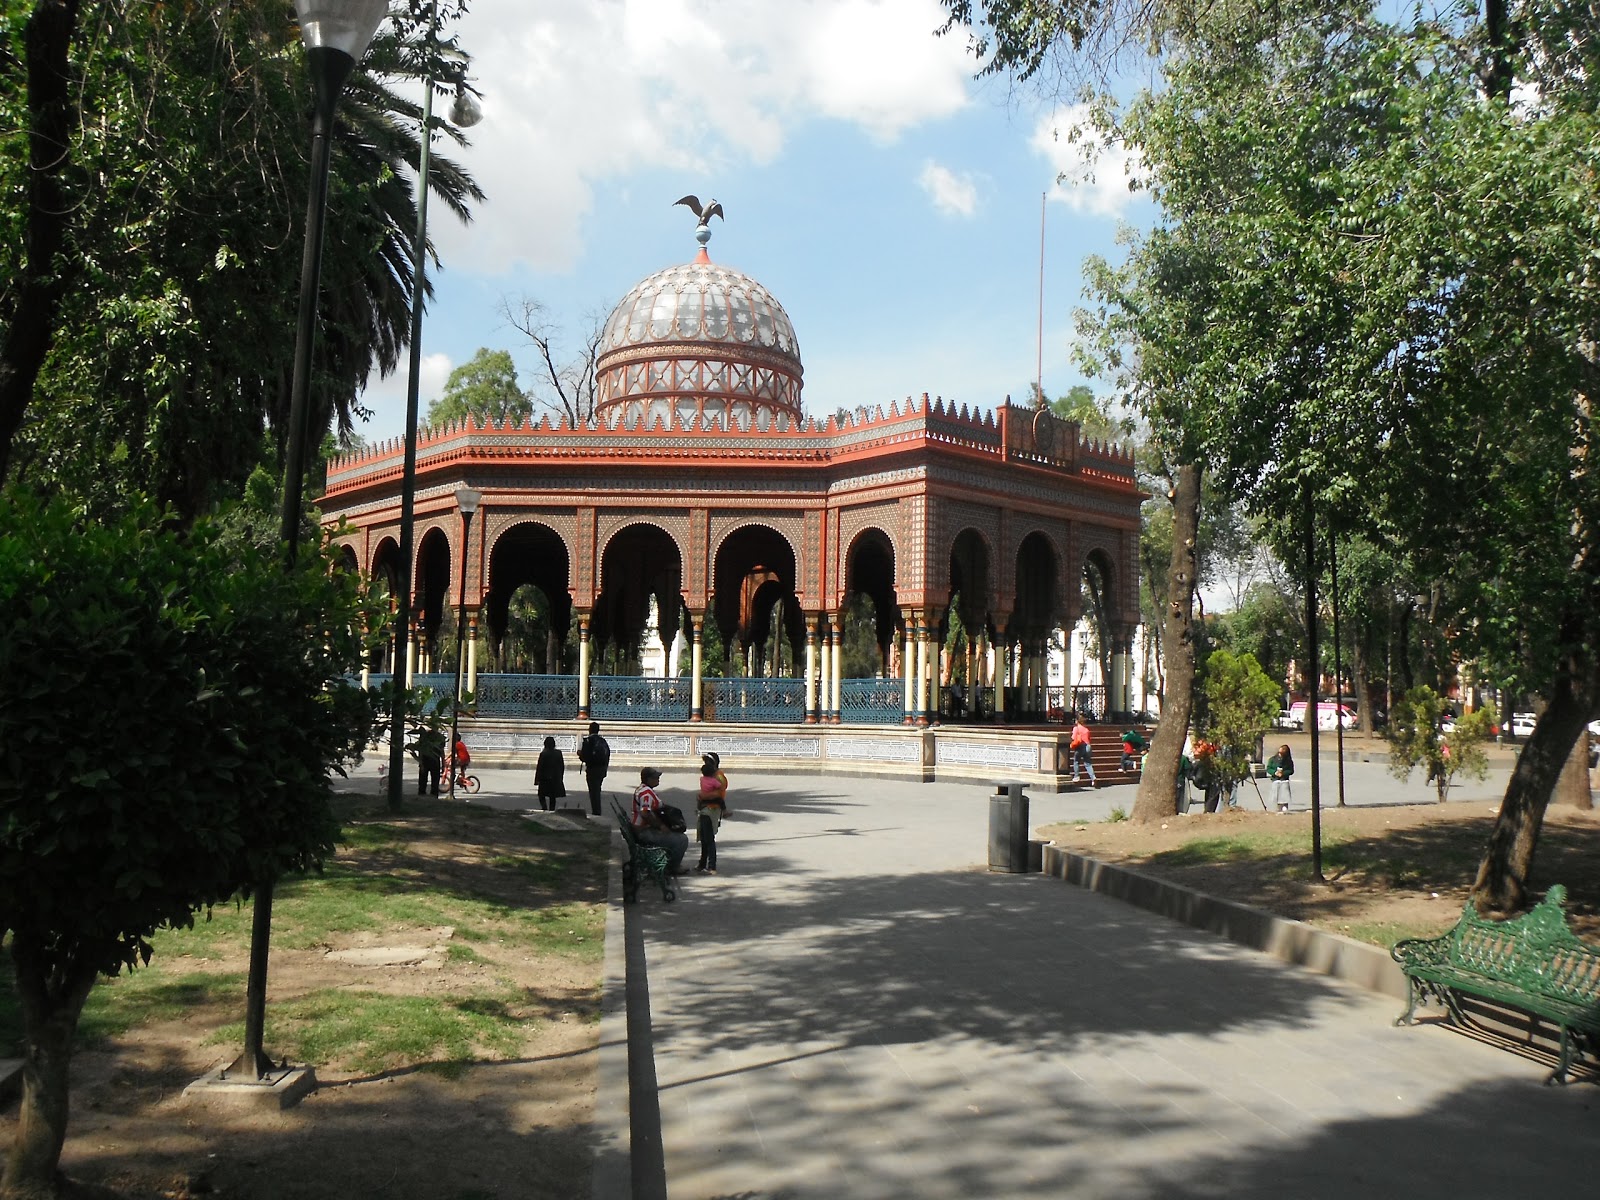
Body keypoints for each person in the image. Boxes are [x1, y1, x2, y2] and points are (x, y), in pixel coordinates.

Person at [632, 766, 688, 874]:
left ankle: (671, 864)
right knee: (682, 840)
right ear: (648, 779)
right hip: (644, 832)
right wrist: (660, 826)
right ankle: (673, 867)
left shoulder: (642, 789)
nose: (658, 779)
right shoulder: (646, 793)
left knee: (675, 835)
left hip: (643, 829)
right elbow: (645, 813)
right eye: (655, 777)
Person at [695, 752, 729, 874]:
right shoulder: (710, 776)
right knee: (704, 837)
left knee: (708, 838)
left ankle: (712, 866)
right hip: (705, 809)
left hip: (711, 809)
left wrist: (702, 796)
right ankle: (702, 863)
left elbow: (719, 793)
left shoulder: (718, 777)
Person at [577, 721, 611, 817]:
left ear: (589, 729)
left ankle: (596, 811)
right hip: (601, 770)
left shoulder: (588, 741)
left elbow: (585, 757)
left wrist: (580, 755)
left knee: (593, 791)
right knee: (597, 789)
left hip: (592, 770)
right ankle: (596, 810)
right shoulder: (603, 741)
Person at [534, 735, 566, 812]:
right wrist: (560, 777)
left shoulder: (544, 754)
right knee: (553, 796)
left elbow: (540, 767)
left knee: (541, 795)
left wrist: (536, 779)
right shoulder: (558, 753)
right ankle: (552, 809)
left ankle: (544, 807)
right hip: (555, 778)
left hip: (545, 778)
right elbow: (562, 766)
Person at [415, 727, 444, 797]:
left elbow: (420, 750)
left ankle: (423, 795)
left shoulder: (426, 736)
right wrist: (443, 764)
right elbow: (442, 752)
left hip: (428, 761)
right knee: (432, 781)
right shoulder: (438, 737)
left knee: (424, 781)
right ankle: (431, 796)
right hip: (431, 761)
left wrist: (420, 762)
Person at [1069, 714, 1097, 786]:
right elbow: (1089, 738)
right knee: (1088, 763)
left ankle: (1077, 776)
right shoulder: (1086, 729)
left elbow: (1073, 737)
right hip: (1088, 746)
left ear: (1077, 721)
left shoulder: (1076, 728)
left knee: (1076, 761)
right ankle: (1093, 777)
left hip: (1080, 746)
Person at [1267, 743, 1295, 813]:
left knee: (1284, 793)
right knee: (1276, 793)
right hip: (1275, 779)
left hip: (1284, 779)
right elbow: (1268, 768)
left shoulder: (1289, 761)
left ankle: (1285, 805)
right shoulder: (1272, 759)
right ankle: (1278, 806)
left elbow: (1291, 771)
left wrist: (1284, 773)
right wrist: (1274, 772)